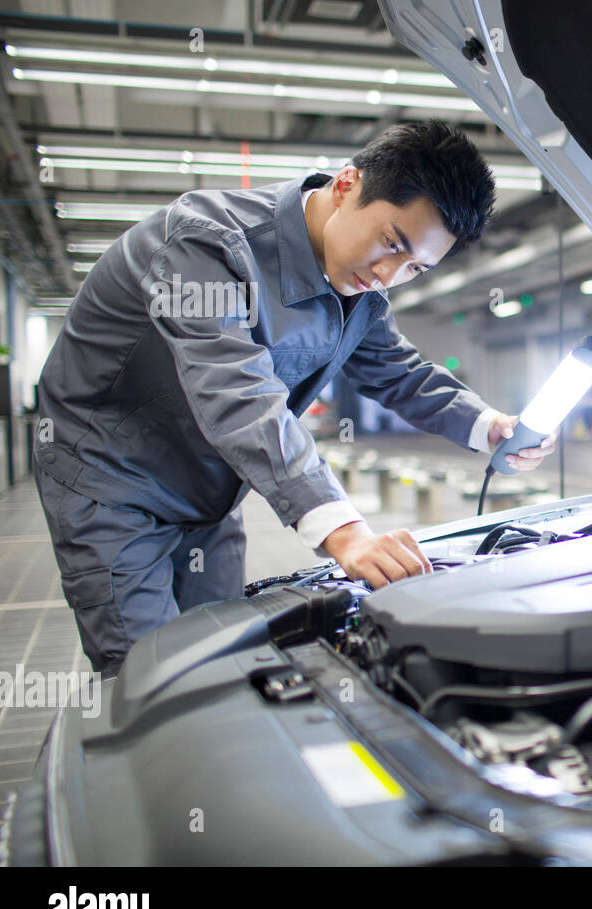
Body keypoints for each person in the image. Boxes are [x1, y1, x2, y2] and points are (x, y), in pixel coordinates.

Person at [32, 120, 554, 678]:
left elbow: (398, 370)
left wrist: (487, 424)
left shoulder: (361, 287)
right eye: (391, 243)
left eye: (415, 268)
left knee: (219, 663)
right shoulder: (205, 244)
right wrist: (344, 530)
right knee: (149, 680)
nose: (387, 275)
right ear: (346, 183)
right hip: (112, 485)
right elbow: (236, 391)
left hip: (209, 495)